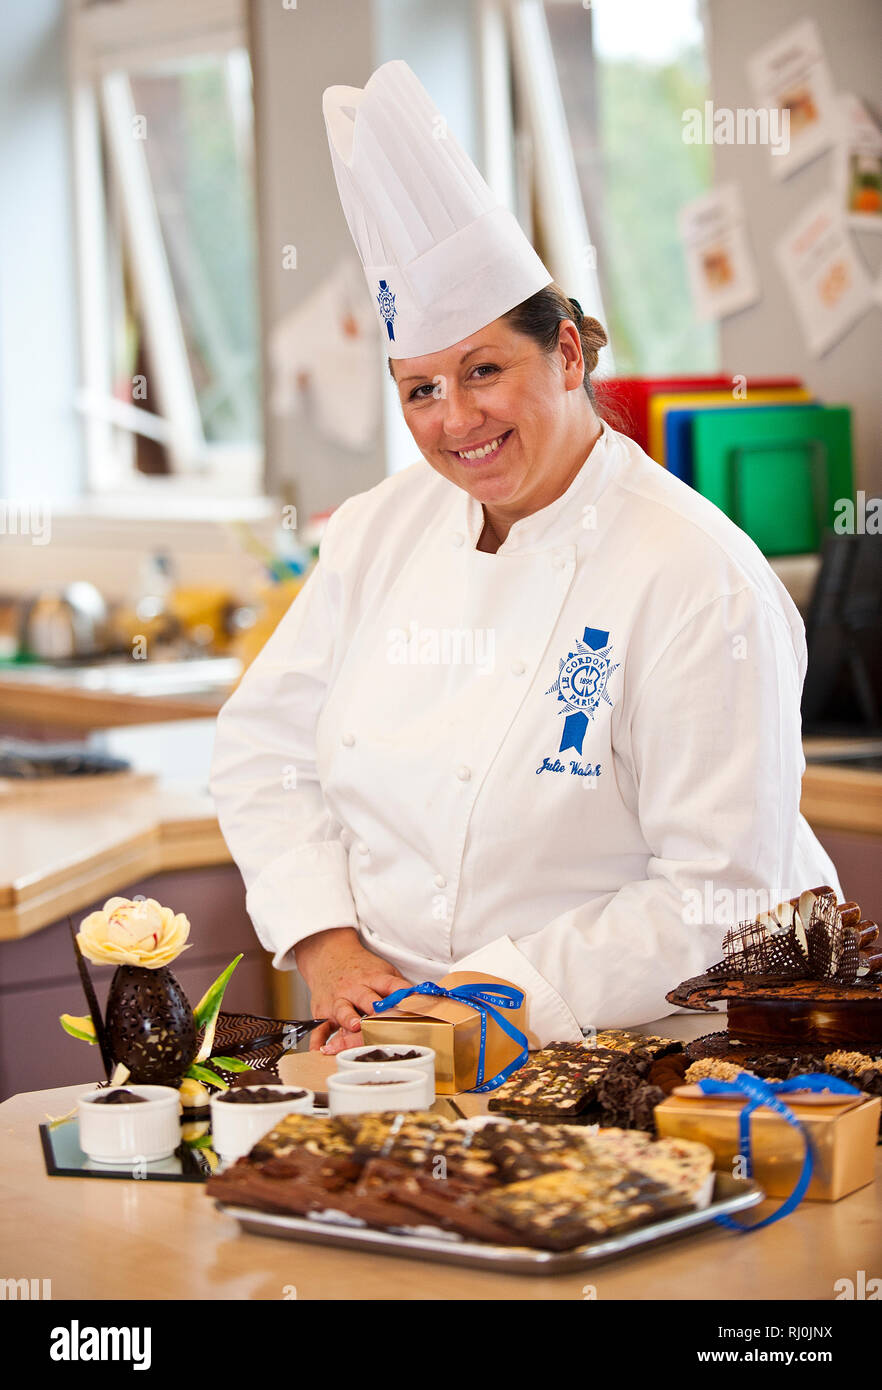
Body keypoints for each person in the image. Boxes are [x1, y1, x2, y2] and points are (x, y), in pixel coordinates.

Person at [210, 61, 841, 1056]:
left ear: (570, 356)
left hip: (638, 1056)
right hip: (397, 1043)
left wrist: (493, 995)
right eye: (419, 389)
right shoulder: (381, 528)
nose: (455, 418)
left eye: (485, 370)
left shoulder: (694, 574)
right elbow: (265, 752)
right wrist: (326, 943)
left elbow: (724, 894)